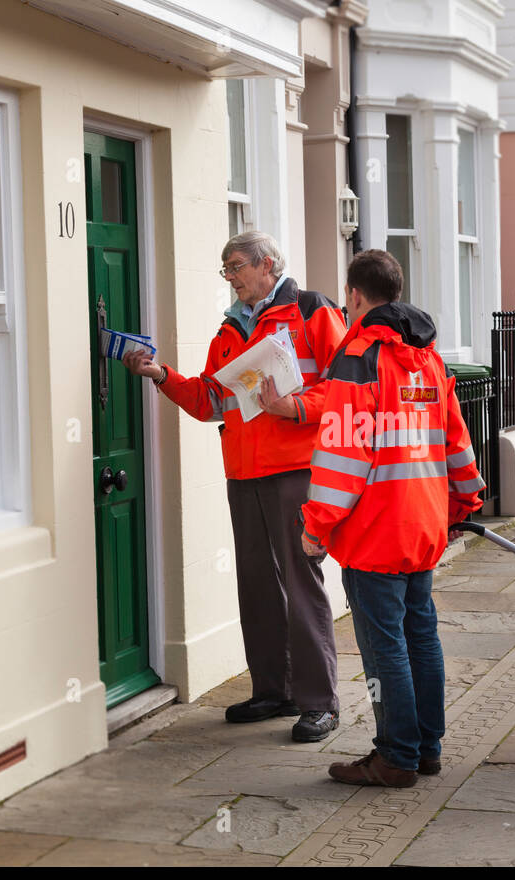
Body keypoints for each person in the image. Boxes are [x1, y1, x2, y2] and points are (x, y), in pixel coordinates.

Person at [122, 231, 347, 742]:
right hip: (243, 473)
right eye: (225, 270)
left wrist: (293, 407)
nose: (230, 277)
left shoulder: (312, 312)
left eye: (236, 266)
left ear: (268, 265)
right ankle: (275, 690)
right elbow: (208, 401)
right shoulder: (229, 329)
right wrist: (160, 374)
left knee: (301, 581)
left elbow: (344, 387)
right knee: (256, 585)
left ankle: (319, 702)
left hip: (295, 469)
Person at [300, 250, 485, 787]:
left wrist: (316, 527)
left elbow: (341, 455)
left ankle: (396, 757)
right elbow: (456, 441)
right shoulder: (429, 359)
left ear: (355, 296)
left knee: (387, 648)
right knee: (420, 635)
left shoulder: (357, 359)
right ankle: (426, 749)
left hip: (375, 531)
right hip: (423, 523)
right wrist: (465, 501)